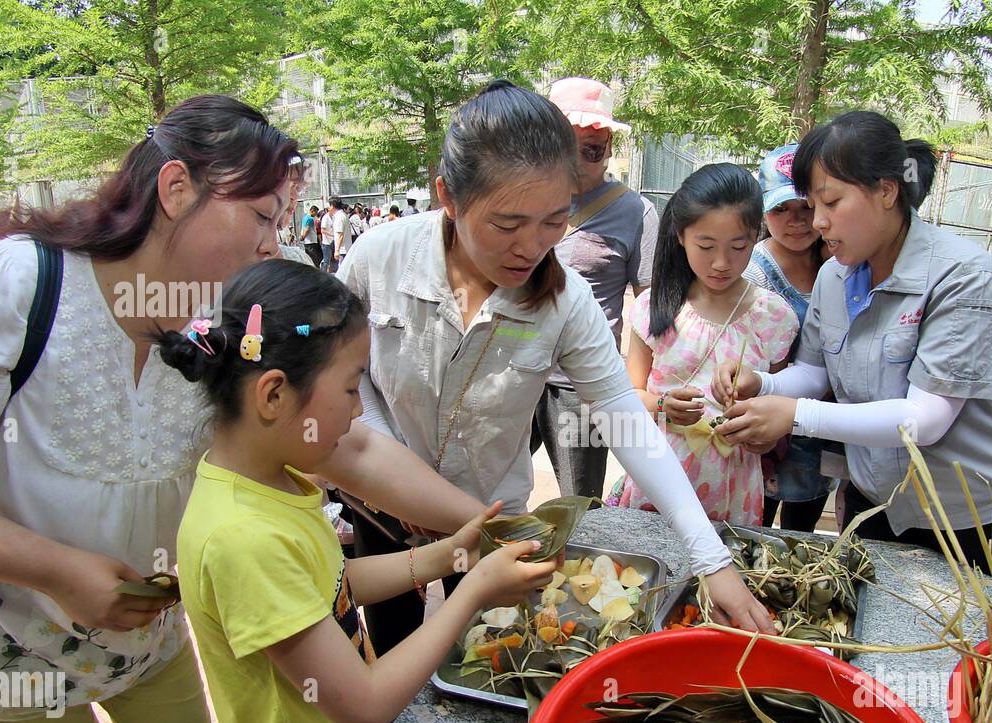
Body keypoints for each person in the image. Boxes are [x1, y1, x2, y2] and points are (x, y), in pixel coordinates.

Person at [0, 95, 296, 723]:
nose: (270, 246)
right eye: (260, 217)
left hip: (146, 621)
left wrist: (454, 526)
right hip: (1, 636)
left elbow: (336, 447)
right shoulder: (19, 288)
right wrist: (53, 568)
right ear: (176, 188)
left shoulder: (218, 322)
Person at [340, 79, 775, 646]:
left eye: (554, 220)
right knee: (397, 650)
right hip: (382, 512)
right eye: (507, 224)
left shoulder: (565, 300)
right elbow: (346, 377)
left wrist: (711, 559)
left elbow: (622, 413)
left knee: (488, 653)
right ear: (448, 196)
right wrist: (395, 480)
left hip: (495, 523)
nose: (533, 246)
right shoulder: (379, 257)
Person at [157, 259, 555, 723]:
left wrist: (445, 556)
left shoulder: (279, 476)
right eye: (350, 389)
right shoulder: (242, 539)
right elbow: (362, 703)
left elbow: (330, 586)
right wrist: (471, 591)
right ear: (273, 395)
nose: (356, 412)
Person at [714, 111, 992, 574]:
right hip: (874, 501)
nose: (817, 222)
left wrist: (795, 417)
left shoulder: (962, 276)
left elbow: (925, 419)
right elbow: (816, 371)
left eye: (831, 202)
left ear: (886, 190)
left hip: (960, 513)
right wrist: (762, 385)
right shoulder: (834, 276)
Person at [617, 163, 797, 525]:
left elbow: (777, 405)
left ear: (756, 238)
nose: (721, 263)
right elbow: (627, 395)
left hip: (734, 487)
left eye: (738, 247)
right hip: (659, 475)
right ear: (681, 235)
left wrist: (763, 439)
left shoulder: (773, 317)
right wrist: (663, 403)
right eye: (706, 245)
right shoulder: (655, 307)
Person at [530, 77, 660, 500]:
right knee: (488, 488)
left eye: (598, 140)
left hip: (581, 384)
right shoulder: (520, 198)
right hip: (516, 367)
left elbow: (649, 310)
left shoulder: (636, 211)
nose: (592, 144)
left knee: (580, 502)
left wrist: (647, 393)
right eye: (574, 136)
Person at [741, 144, 835, 532]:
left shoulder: (839, 264)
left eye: (805, 208)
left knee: (803, 534)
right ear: (763, 212)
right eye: (781, 209)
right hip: (764, 429)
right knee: (752, 526)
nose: (795, 221)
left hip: (823, 427)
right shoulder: (753, 271)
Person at [319, 198, 339, 273]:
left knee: (334, 260)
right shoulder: (325, 218)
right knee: (326, 260)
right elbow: (322, 230)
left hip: (333, 241)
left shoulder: (334, 217)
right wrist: (332, 235)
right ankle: (323, 274)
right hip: (327, 243)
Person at [332, 201, 352, 271]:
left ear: (332, 206)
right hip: (345, 249)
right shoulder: (343, 215)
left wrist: (337, 250)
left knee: (342, 272)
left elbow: (340, 235)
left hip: (343, 250)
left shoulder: (339, 217)